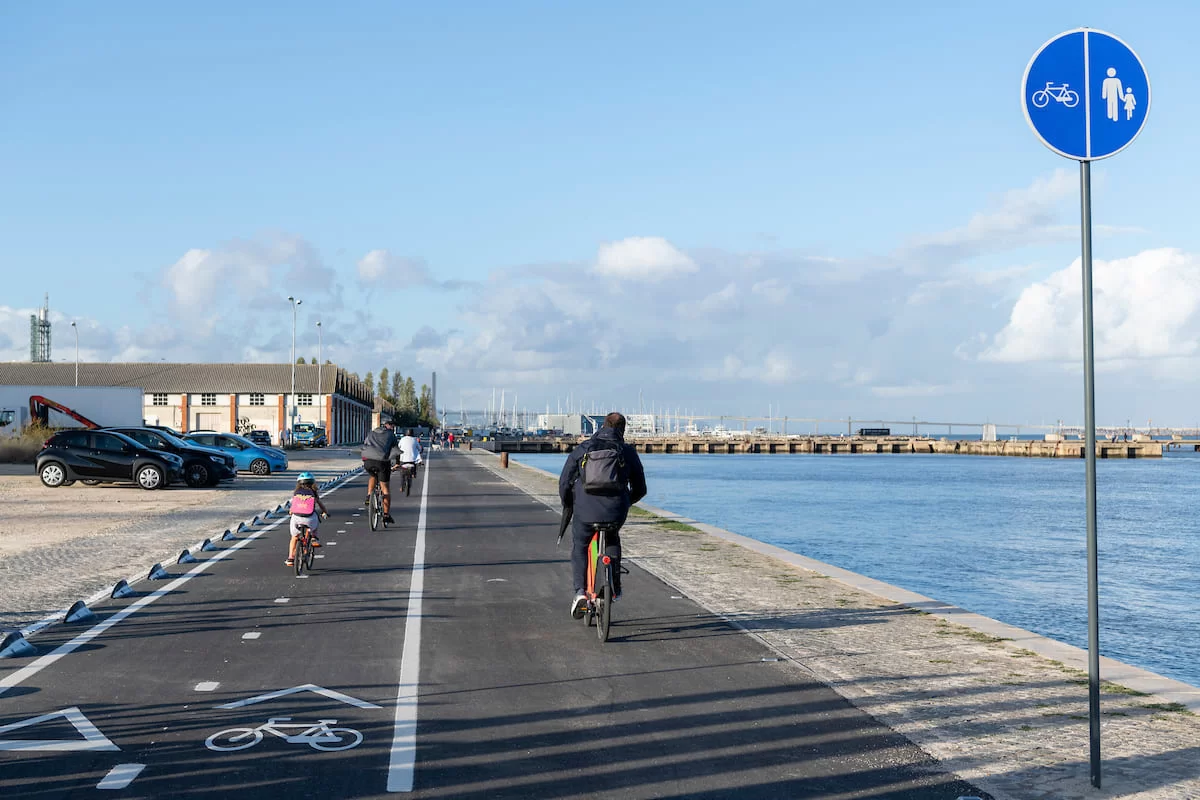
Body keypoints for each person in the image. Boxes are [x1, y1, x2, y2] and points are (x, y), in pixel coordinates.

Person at [558, 412, 647, 618]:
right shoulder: (627, 451)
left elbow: (564, 482)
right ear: (622, 429)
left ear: (603, 425)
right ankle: (614, 586)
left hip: (585, 509)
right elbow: (640, 488)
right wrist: (626, 502)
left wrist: (569, 503)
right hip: (616, 510)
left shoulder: (585, 448)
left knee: (580, 545)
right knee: (613, 537)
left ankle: (580, 592)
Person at [362, 418, 401, 524]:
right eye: (392, 425)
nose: (393, 427)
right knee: (385, 488)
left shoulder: (372, 433)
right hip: (382, 461)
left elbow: (364, 445)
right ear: (387, 425)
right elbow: (396, 451)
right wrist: (397, 463)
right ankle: (386, 514)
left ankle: (369, 496)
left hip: (368, 460)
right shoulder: (391, 435)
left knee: (373, 475)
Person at [287, 472, 328, 566]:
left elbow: (293, 507)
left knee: (294, 537)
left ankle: (290, 558)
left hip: (296, 518)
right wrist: (325, 512)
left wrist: (291, 512)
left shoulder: (296, 493)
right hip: (309, 519)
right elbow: (320, 504)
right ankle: (314, 537)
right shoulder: (313, 493)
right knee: (316, 520)